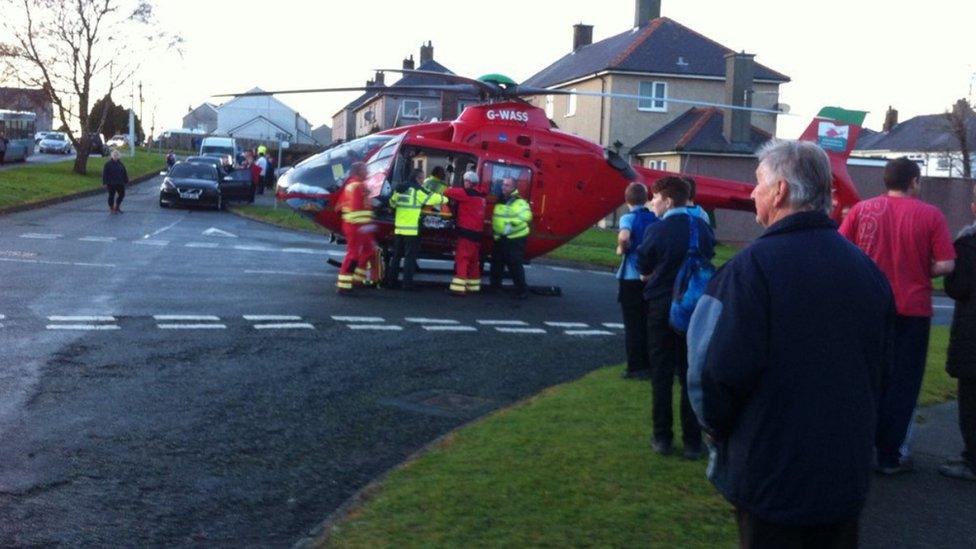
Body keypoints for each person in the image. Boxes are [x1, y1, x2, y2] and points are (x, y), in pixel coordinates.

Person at [688, 139, 895, 548]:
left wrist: (715, 430)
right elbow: (884, 370)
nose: (751, 193)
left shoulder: (749, 270)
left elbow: (710, 373)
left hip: (772, 477)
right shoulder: (868, 272)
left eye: (758, 183)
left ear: (780, 191)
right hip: (844, 474)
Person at [839, 157, 956, 474]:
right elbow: (946, 264)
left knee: (866, 378)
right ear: (914, 181)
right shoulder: (930, 215)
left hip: (869, 306)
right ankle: (890, 455)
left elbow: (841, 248)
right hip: (912, 308)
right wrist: (923, 268)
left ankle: (858, 449)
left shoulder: (863, 210)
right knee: (903, 383)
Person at [635, 176, 712, 459]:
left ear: (667, 200)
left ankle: (662, 437)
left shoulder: (658, 230)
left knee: (661, 374)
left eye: (655, 197)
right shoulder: (701, 227)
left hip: (660, 307)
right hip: (692, 308)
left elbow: (643, 266)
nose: (652, 202)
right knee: (689, 373)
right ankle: (693, 442)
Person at [940, 183, 976, 481]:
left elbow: (957, 287)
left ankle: (972, 459)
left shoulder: (968, 244)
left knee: (971, 400)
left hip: (972, 333)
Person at [616, 182, 658, 379]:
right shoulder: (655, 219)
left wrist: (621, 248)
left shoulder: (628, 218)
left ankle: (635, 367)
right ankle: (650, 363)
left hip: (631, 275)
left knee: (632, 324)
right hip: (651, 275)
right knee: (648, 321)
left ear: (627, 200)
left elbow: (624, 237)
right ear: (646, 199)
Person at [385, 168, 447, 291]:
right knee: (409, 257)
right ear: (417, 178)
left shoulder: (400, 188)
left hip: (399, 229)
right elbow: (430, 198)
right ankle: (407, 284)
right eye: (422, 178)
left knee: (396, 256)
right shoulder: (417, 189)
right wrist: (445, 199)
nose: (423, 180)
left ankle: (391, 282)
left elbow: (392, 203)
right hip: (411, 230)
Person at [444, 170, 487, 296]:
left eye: (465, 181)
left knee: (462, 258)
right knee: (474, 260)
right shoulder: (481, 195)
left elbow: (447, 192)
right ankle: (473, 286)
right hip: (477, 234)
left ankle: (458, 288)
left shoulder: (466, 193)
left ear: (468, 182)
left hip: (466, 233)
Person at [335, 162, 375, 294]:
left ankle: (358, 279)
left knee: (369, 251)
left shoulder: (356, 184)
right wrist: (364, 226)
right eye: (365, 170)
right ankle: (344, 284)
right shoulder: (357, 186)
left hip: (359, 225)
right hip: (356, 226)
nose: (368, 172)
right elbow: (356, 208)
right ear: (359, 171)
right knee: (353, 254)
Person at [488, 177, 532, 299]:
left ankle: (522, 290)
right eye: (503, 185)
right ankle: (495, 287)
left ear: (513, 188)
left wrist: (510, 226)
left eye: (507, 185)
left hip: (514, 239)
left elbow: (526, 217)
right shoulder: (502, 200)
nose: (503, 187)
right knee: (497, 263)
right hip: (501, 238)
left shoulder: (519, 202)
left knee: (515, 265)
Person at [102, 149, 129, 214]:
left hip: (120, 182)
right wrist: (105, 182)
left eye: (117, 155)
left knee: (122, 194)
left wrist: (126, 180)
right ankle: (111, 208)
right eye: (114, 155)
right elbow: (105, 173)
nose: (116, 156)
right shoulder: (108, 164)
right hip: (111, 183)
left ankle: (117, 206)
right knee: (111, 195)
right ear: (112, 156)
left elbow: (124, 173)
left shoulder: (121, 164)